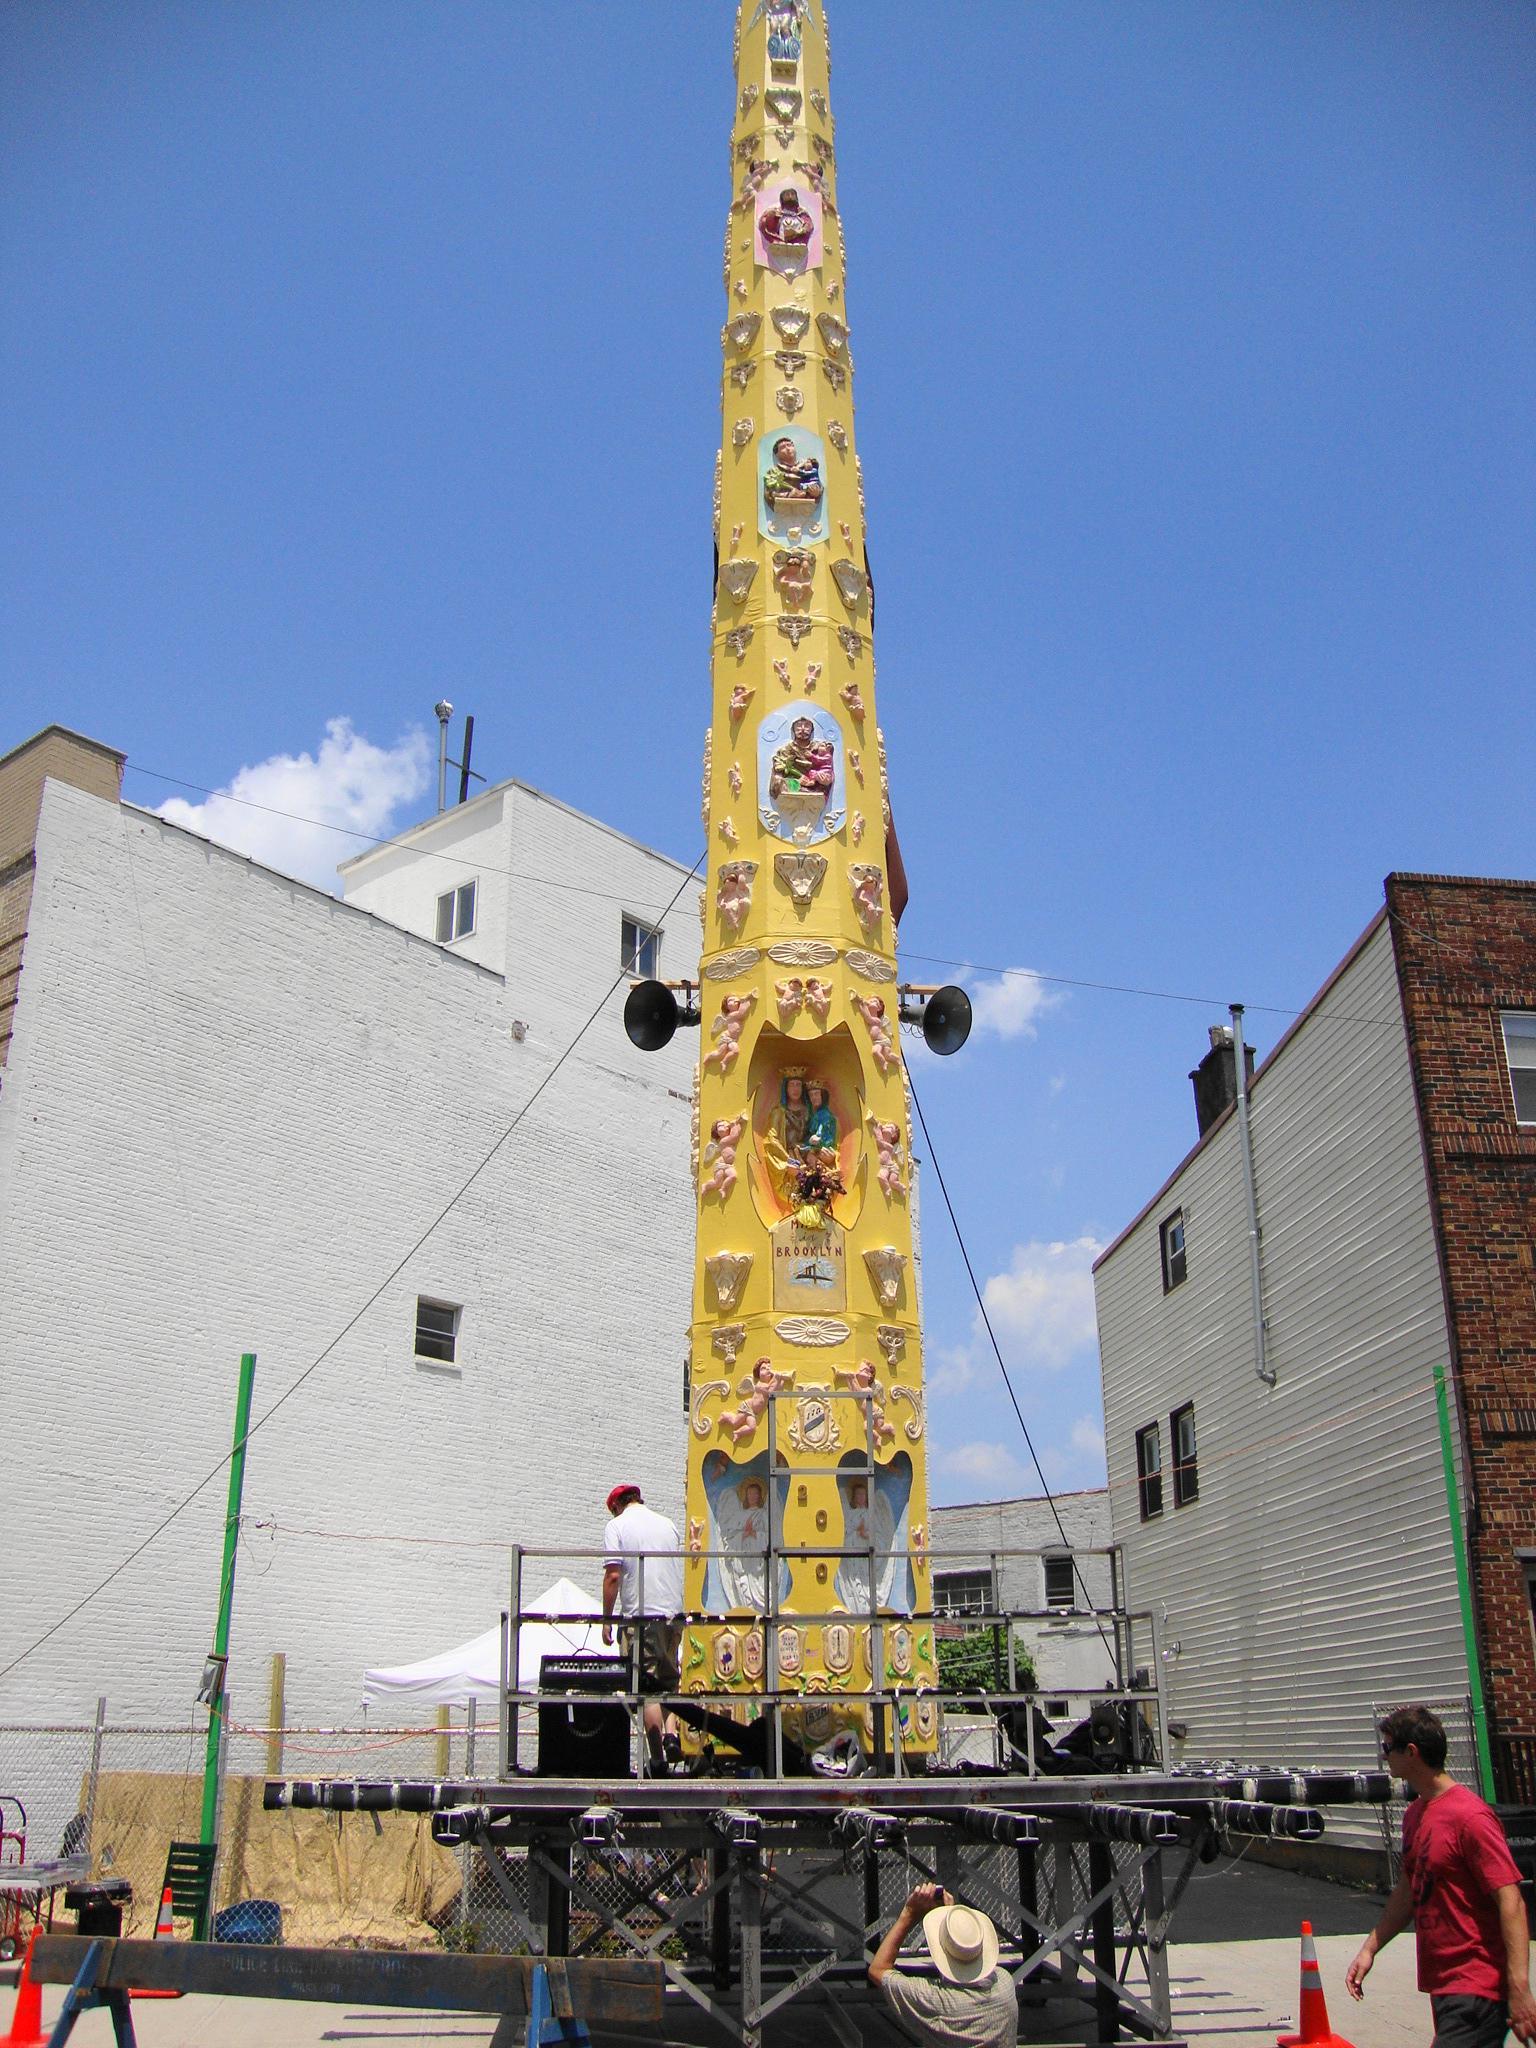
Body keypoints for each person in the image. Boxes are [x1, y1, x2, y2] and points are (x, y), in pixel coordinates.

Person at [1346, 1705, 1535, 2048]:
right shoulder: (1416, 1814)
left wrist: (1519, 1987)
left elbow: (1512, 1901)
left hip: (1477, 1986)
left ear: (1412, 1753)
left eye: (1388, 1748)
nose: (1383, 1756)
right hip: (1444, 1984)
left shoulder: (1470, 1817)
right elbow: (1409, 1887)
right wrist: (1370, 1948)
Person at [868, 1883, 1017, 2048]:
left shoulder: (935, 2000)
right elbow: (964, 1953)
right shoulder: (1005, 1984)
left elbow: (878, 1969)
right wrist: (953, 1922)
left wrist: (909, 1915)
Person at [601, 1483, 685, 1774]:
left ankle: (657, 1757)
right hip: (673, 1615)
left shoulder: (618, 1526)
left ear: (616, 1506)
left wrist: (608, 1620)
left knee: (645, 1687)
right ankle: (672, 1733)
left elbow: (613, 1575)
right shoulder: (668, 1524)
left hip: (641, 1616)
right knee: (669, 1681)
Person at [760, 185, 814, 249]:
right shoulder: (777, 211)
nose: (790, 197)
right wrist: (771, 216)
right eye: (787, 195)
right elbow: (767, 224)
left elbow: (808, 224)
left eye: (792, 194)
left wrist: (799, 231)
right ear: (782, 198)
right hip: (781, 240)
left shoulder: (802, 213)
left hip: (798, 240)